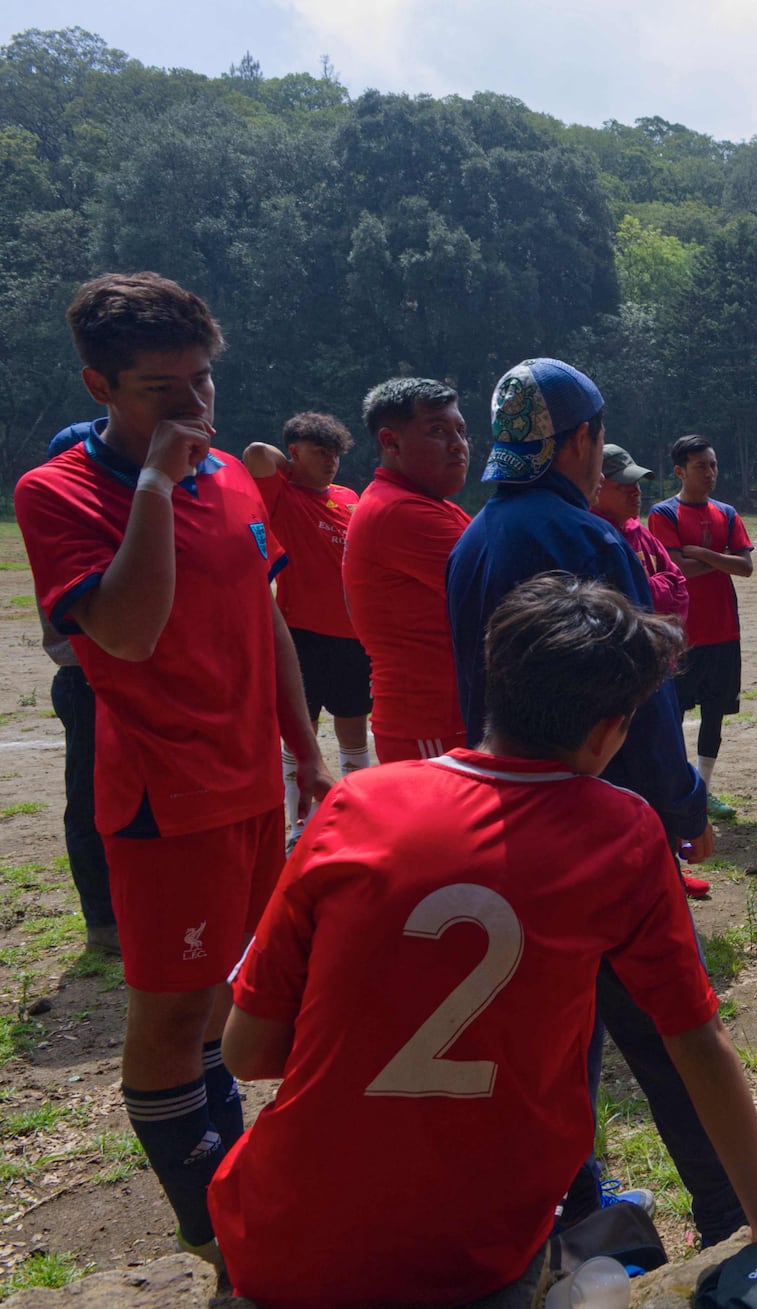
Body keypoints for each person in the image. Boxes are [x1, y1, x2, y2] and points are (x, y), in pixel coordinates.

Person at [208, 574, 757, 1307]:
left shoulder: (359, 802)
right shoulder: (622, 832)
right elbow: (696, 1042)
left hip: (281, 1237)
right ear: (609, 730)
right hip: (474, 1257)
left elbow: (247, 1052)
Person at [12, 273, 329, 1261]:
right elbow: (131, 631)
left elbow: (266, 617)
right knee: (170, 1010)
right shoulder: (56, 493)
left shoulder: (230, 474)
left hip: (253, 783)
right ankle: (208, 1223)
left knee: (229, 993)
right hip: (165, 797)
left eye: (203, 381)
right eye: (162, 389)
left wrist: (305, 749)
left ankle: (231, 1183)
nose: (193, 407)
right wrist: (152, 482)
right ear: (99, 386)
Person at [445, 358, 736, 1239]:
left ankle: (571, 1204)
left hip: (509, 819)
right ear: (580, 440)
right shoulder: (590, 538)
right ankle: (729, 1212)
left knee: (554, 1032)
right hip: (602, 820)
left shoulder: (471, 539)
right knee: (667, 1025)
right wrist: (683, 806)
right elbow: (641, 696)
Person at [242, 412, 370, 843]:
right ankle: (297, 831)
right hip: (301, 636)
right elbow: (257, 453)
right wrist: (293, 467)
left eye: (335, 453)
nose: (331, 461)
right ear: (295, 453)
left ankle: (354, 825)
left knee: (354, 734)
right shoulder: (282, 492)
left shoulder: (348, 496)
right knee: (300, 736)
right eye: (320, 452)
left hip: (353, 637)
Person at [343, 378, 474, 765]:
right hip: (431, 726)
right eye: (438, 431)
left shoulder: (422, 503)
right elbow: (510, 590)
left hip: (439, 719)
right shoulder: (402, 512)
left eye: (461, 431)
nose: (458, 444)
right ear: (391, 442)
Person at [40, 422, 118, 955]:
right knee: (91, 803)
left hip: (124, 681)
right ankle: (103, 922)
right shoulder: (64, 531)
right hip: (87, 682)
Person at [648, 434, 754, 820]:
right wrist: (722, 559)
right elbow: (677, 569)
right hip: (682, 636)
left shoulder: (726, 512)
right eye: (700, 466)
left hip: (724, 631)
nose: (710, 473)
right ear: (680, 471)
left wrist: (702, 553)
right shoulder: (663, 514)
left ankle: (704, 789)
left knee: (715, 712)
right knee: (673, 714)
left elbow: (746, 567)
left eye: (713, 465)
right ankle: (676, 787)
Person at [593, 442, 689, 624]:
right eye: (623, 485)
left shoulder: (642, 535)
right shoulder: (591, 537)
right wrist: (660, 588)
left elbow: (680, 588)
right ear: (597, 485)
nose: (636, 492)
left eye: (636, 483)